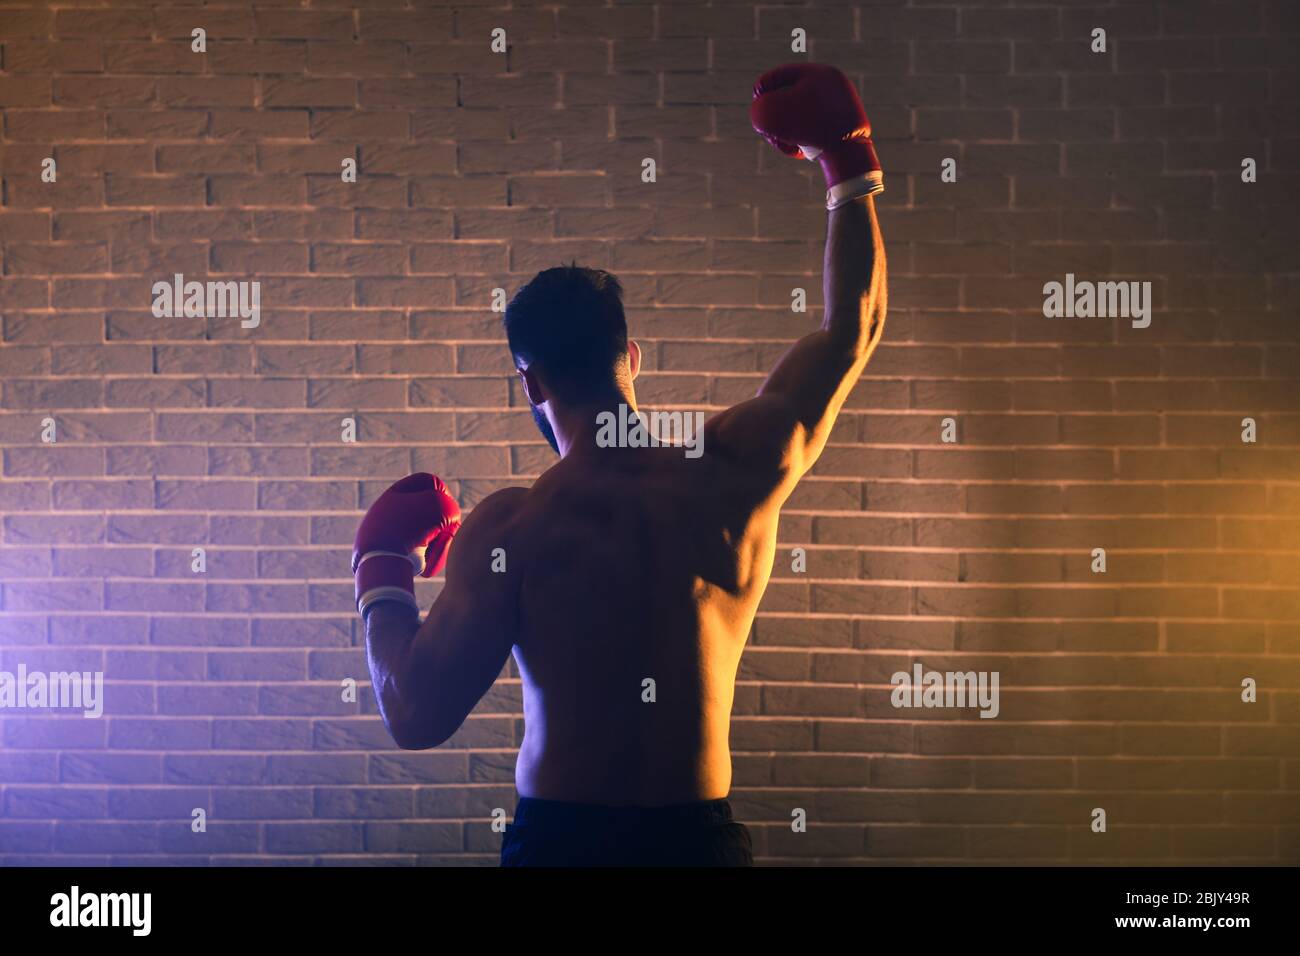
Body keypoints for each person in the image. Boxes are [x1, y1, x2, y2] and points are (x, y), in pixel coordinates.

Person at [354, 63, 888, 866]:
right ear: (630, 356)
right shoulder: (736, 466)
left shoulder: (515, 526)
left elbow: (414, 715)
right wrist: (847, 163)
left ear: (529, 381)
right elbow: (850, 332)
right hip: (698, 843)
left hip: (561, 845)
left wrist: (381, 568)